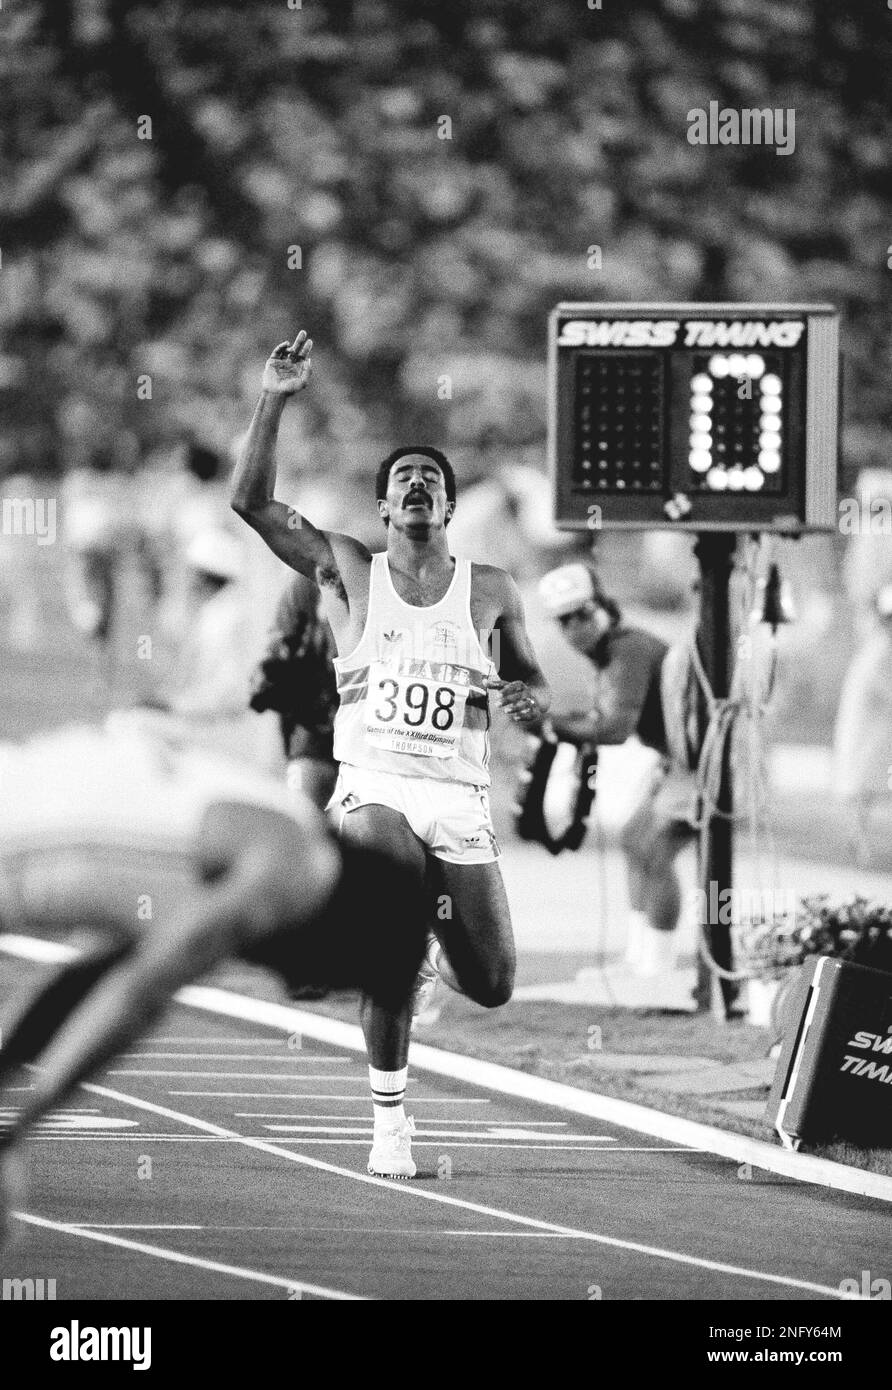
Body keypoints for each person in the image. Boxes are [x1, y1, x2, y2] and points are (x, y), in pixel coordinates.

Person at [231, 331, 550, 1179]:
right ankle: (390, 1125)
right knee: (392, 924)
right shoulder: (345, 571)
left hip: (459, 797)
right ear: (384, 511)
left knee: (493, 983)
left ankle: (438, 957)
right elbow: (252, 506)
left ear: (447, 509)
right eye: (403, 479)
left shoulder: (489, 589)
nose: (417, 486)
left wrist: (522, 700)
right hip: (375, 785)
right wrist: (276, 398)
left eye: (432, 480)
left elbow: (531, 684)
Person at [0, 713, 426, 1237]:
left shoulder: (273, 827)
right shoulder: (298, 871)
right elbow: (138, 996)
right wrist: (17, 1133)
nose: (300, 986)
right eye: (340, 975)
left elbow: (87, 986)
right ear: (352, 930)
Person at [538, 562, 699, 977]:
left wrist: (552, 724)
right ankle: (639, 957)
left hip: (703, 763)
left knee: (657, 850)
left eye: (584, 613)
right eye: (565, 620)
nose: (577, 627)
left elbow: (613, 730)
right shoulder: (616, 651)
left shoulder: (627, 649)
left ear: (605, 606)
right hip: (681, 761)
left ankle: (658, 965)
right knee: (634, 839)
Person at [249, 571, 339, 811]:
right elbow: (279, 646)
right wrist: (270, 674)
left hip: (367, 736)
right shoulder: (305, 586)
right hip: (314, 730)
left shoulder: (379, 575)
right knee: (301, 801)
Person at [833, 583, 892, 865]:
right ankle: (858, 842)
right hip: (866, 728)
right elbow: (882, 686)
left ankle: (859, 841)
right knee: (861, 787)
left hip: (871, 727)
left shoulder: (879, 645)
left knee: (864, 788)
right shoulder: (880, 648)